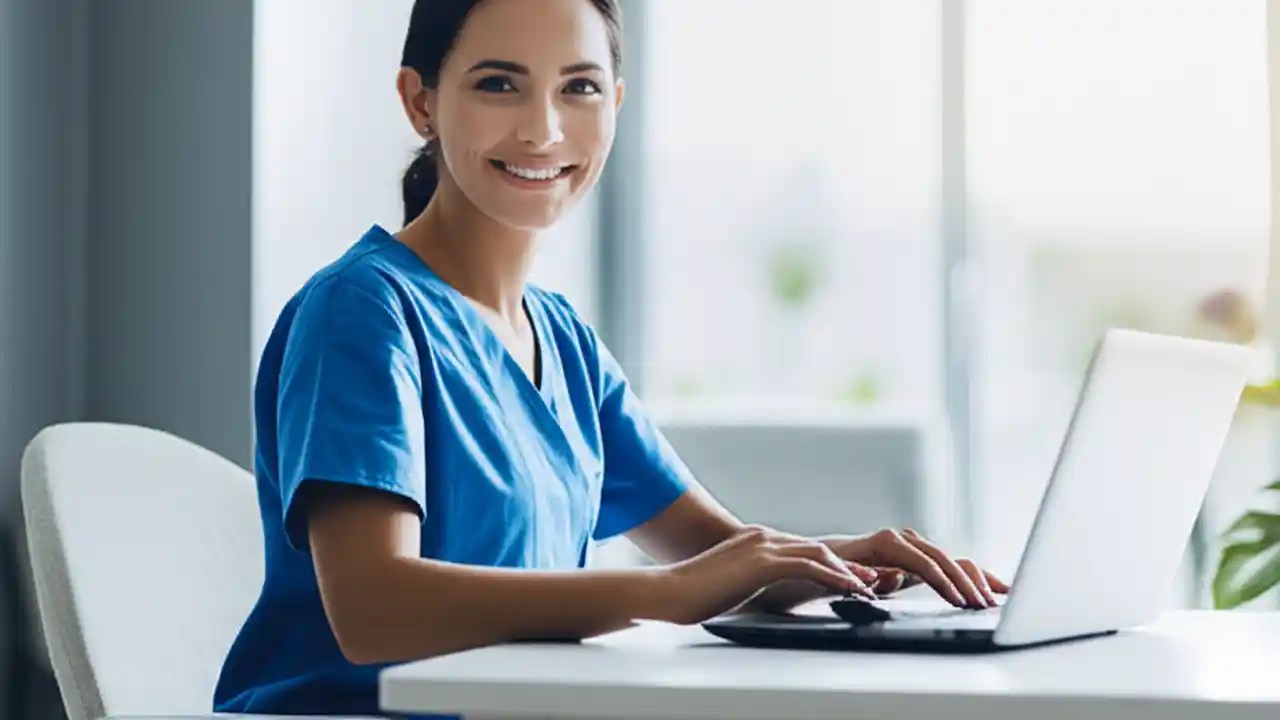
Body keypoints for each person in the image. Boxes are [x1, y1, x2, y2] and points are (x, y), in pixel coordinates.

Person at [213, 0, 1009, 716]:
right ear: (421, 101)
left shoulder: (564, 343)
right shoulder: (362, 311)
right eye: (499, 84)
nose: (543, 130)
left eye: (580, 88)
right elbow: (374, 610)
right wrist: (667, 596)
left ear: (616, 106)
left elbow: (716, 559)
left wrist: (848, 560)